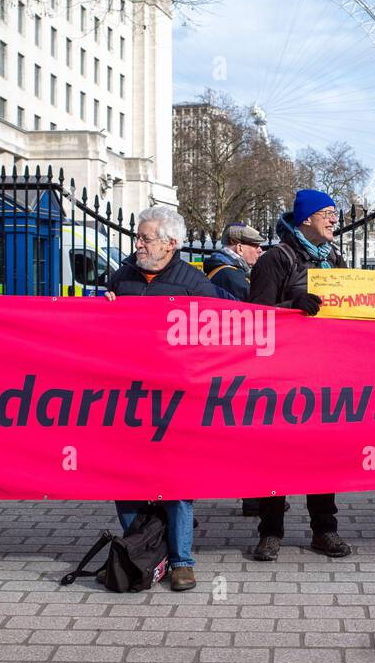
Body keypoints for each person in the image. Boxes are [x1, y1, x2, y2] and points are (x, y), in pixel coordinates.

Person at [103, 205, 230, 591]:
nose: (137, 244)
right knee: (125, 478)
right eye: (137, 236)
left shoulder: (194, 284)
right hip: (128, 395)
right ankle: (141, 548)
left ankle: (181, 560)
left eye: (145, 238)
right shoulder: (122, 277)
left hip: (177, 398)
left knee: (176, 481)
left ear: (171, 244)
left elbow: (224, 329)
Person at [246, 189, 353, 561]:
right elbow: (255, 318)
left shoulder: (335, 259)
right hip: (281, 376)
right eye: (327, 213)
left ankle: (325, 530)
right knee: (276, 454)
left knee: (323, 455)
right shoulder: (277, 259)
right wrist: (293, 307)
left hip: (323, 374)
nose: (334, 219)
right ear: (305, 218)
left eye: (334, 213)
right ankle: (270, 532)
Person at [203, 223, 264, 300]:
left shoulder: (223, 269)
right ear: (240, 248)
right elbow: (256, 305)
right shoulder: (231, 275)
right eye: (256, 246)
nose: (260, 250)